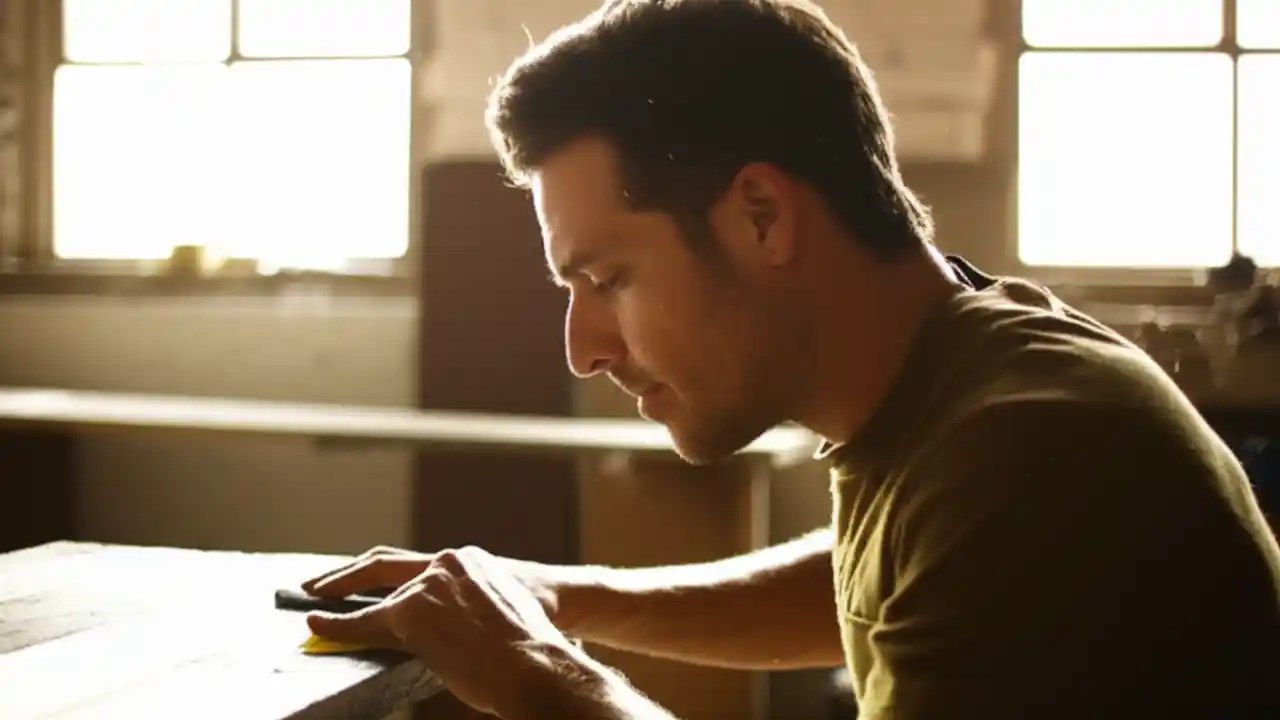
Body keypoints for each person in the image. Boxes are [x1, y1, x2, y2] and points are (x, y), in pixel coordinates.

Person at [301, 0, 1280, 717]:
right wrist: (561, 595)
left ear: (760, 217)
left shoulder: (1035, 456)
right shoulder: (964, 382)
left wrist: (536, 674)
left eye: (607, 278)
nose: (583, 348)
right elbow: (874, 579)